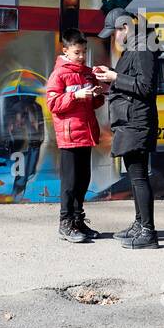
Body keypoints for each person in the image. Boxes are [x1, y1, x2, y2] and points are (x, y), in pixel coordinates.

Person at [95, 8, 160, 250]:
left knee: (139, 177)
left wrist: (114, 78)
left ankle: (148, 232)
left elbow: (145, 87)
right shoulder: (136, 46)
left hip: (137, 122)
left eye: (115, 33)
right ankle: (139, 223)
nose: (114, 38)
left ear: (125, 28)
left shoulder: (144, 47)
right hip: (128, 121)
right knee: (135, 177)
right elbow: (130, 82)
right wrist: (109, 78)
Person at [45, 28, 106, 243]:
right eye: (77, 52)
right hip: (69, 136)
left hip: (86, 133)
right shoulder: (59, 74)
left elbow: (95, 103)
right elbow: (53, 103)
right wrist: (75, 95)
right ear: (66, 51)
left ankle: (78, 221)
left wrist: (97, 95)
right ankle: (65, 223)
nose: (81, 56)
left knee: (83, 180)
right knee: (69, 183)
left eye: (84, 52)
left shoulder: (87, 73)